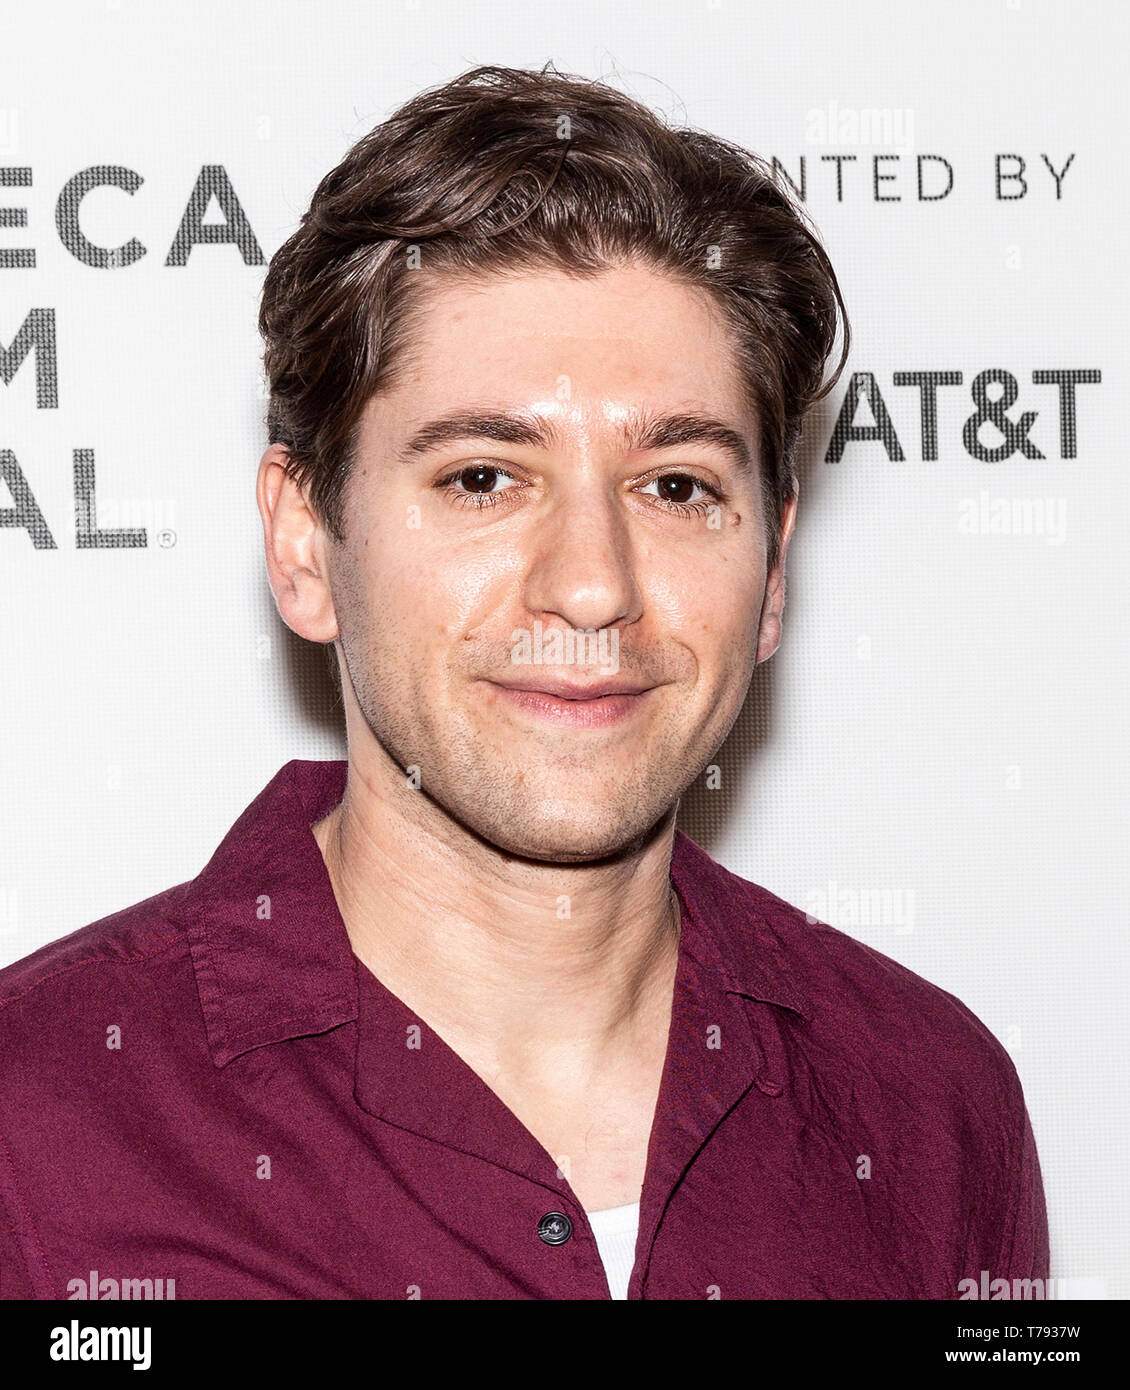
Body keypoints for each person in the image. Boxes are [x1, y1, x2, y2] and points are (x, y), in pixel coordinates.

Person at [0, 64, 1047, 1301]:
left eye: (676, 487)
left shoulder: (930, 1102)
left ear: (772, 568)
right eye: (483, 478)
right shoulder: (37, 1120)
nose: (592, 585)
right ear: (304, 542)